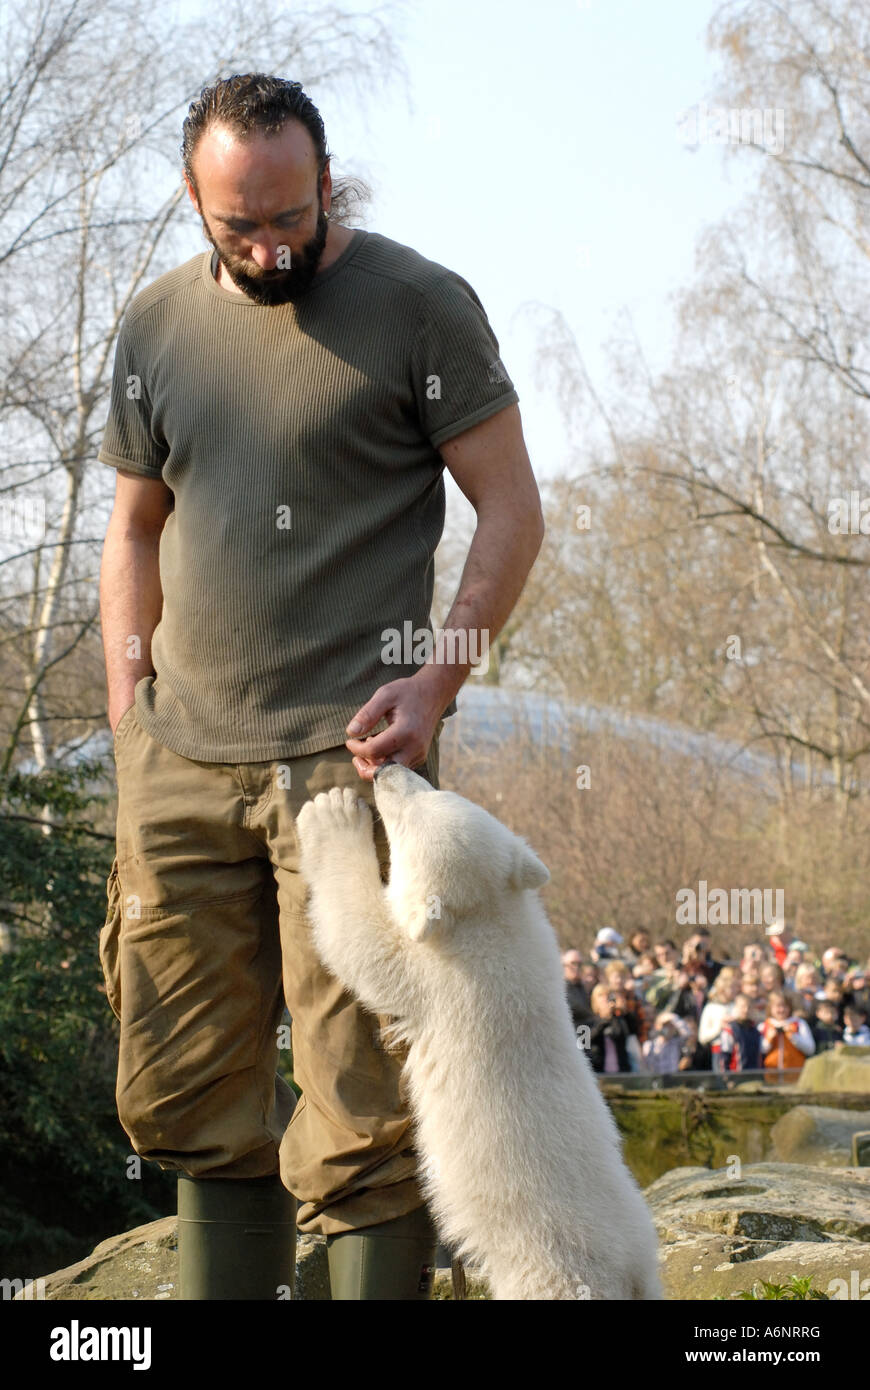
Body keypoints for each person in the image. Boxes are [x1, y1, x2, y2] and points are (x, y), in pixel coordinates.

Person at [97, 72, 543, 1302]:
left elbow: (510, 505)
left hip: (348, 767)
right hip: (180, 762)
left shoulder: (417, 308)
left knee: (362, 1102)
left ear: (325, 179)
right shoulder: (155, 329)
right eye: (237, 224)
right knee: (187, 1087)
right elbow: (133, 530)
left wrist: (436, 686)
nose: (267, 242)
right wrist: (131, 716)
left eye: (289, 213)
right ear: (195, 202)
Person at [758, 992, 816, 1073]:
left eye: (785, 1006)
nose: (781, 1010)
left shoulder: (799, 1023)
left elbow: (810, 1049)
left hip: (796, 1074)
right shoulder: (764, 1026)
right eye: (778, 1006)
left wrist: (793, 1036)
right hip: (770, 1075)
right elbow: (761, 1050)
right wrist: (769, 1038)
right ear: (770, 1007)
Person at [586, 985, 634, 1074]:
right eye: (600, 996)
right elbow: (583, 1043)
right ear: (594, 1000)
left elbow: (628, 1033)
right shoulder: (586, 1021)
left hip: (621, 1071)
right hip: (597, 1071)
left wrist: (623, 1012)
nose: (605, 999)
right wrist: (604, 1020)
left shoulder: (619, 1020)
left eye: (608, 996)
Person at [715, 994, 762, 1073]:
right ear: (736, 1007)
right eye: (742, 1007)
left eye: (749, 1007)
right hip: (737, 1076)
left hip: (754, 1075)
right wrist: (727, 1078)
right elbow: (724, 1057)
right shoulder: (730, 1030)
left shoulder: (756, 1031)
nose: (746, 1010)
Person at [698, 966, 739, 1054]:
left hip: (738, 1050)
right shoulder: (711, 1008)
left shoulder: (737, 1006)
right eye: (732, 987)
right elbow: (703, 1037)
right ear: (722, 989)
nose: (736, 990)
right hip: (719, 1051)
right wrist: (719, 1027)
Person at [562, 950, 593, 1030]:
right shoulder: (561, 990)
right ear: (563, 966)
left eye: (579, 964)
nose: (576, 967)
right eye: (573, 963)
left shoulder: (583, 987)